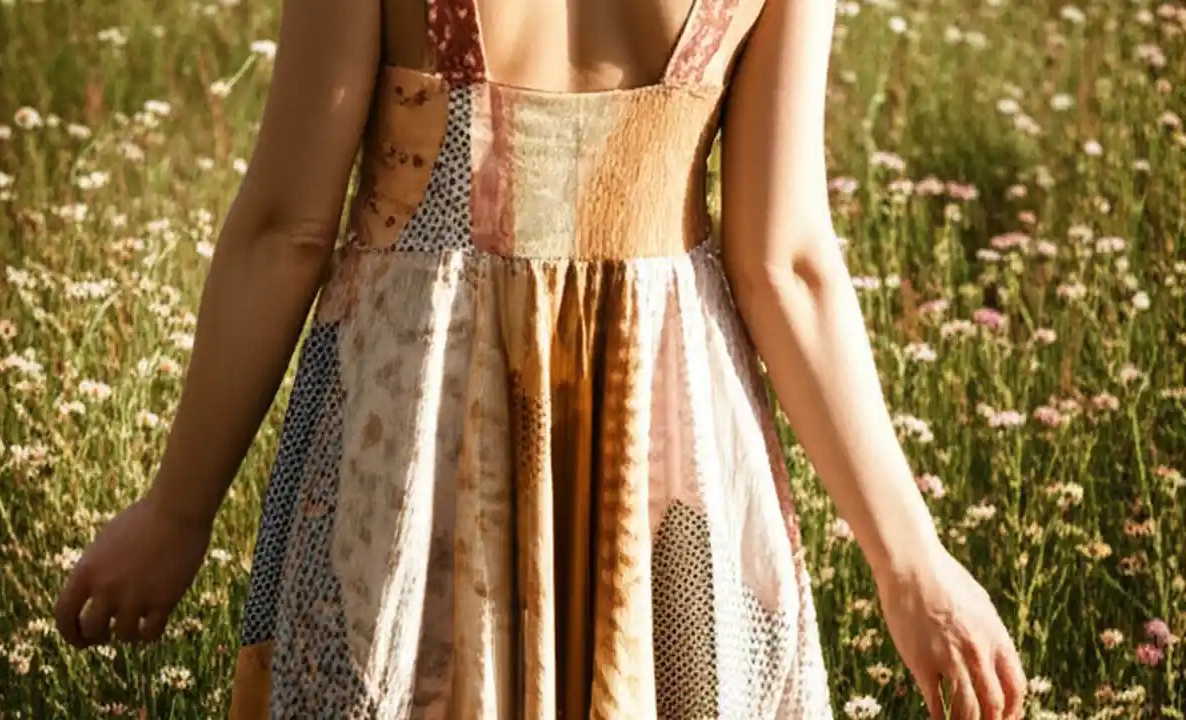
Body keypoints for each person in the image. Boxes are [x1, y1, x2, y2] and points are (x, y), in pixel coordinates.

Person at [54, 0, 1027, 717]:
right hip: (660, 440)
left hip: (414, 435)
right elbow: (785, 267)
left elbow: (284, 232)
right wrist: (909, 565)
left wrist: (177, 510)